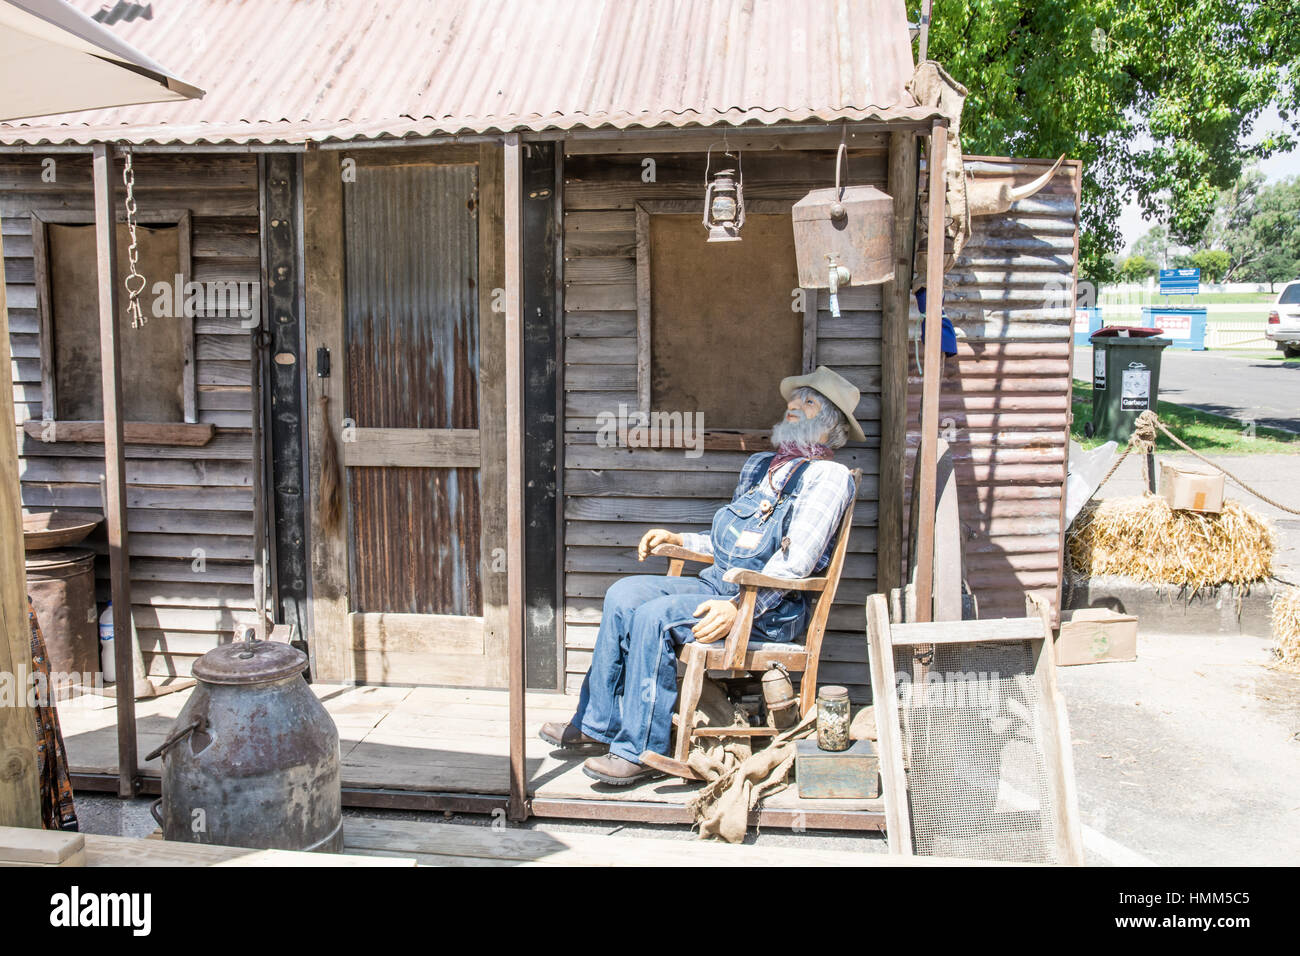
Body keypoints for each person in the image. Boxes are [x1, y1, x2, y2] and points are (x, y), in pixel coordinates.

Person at [540, 366, 863, 785]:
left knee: (655, 617)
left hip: (766, 610)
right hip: (719, 585)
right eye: (793, 400)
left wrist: (736, 609)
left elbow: (795, 566)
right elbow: (732, 542)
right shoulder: (761, 466)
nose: (793, 406)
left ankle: (640, 750)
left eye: (808, 402)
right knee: (624, 593)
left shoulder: (828, 478)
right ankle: (596, 724)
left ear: (831, 423)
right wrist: (683, 540)